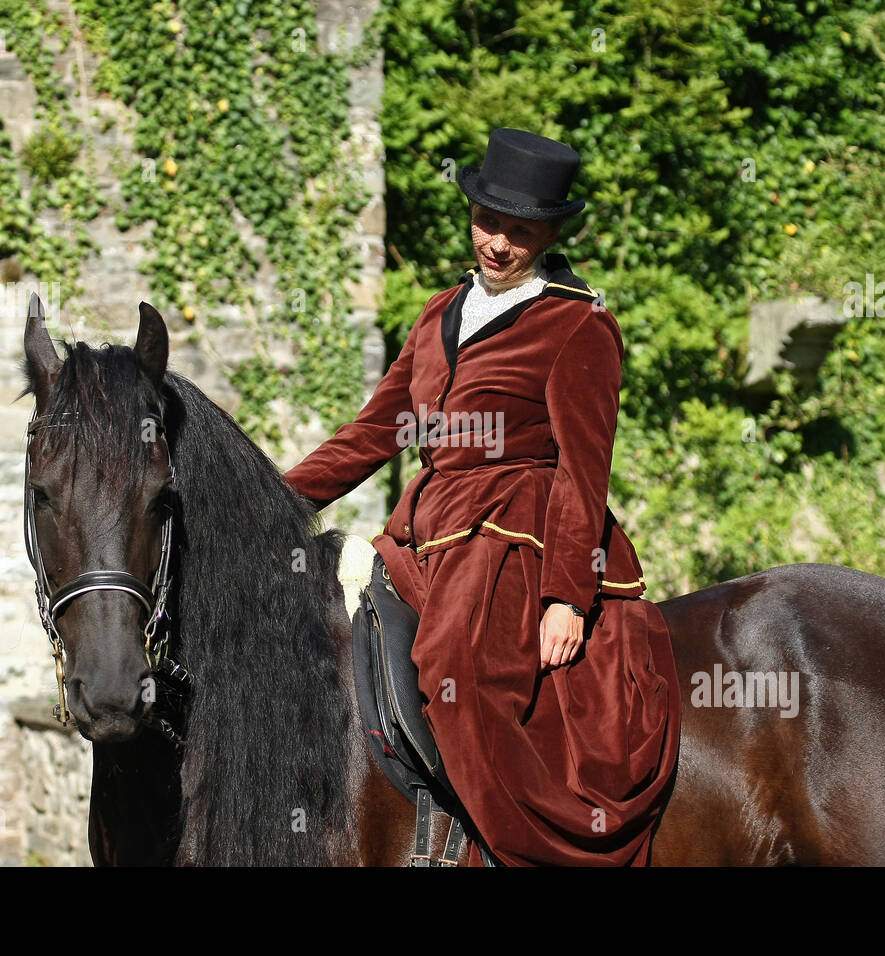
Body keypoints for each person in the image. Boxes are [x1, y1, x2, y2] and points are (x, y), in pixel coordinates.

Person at [283, 128, 680, 866]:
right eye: (487, 222)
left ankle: (511, 849)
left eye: (520, 231)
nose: (497, 243)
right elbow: (377, 431)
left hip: (515, 532)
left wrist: (568, 595)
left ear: (550, 233)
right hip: (425, 529)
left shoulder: (579, 324)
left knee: (452, 668)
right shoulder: (439, 312)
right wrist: (271, 501)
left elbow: (584, 472)